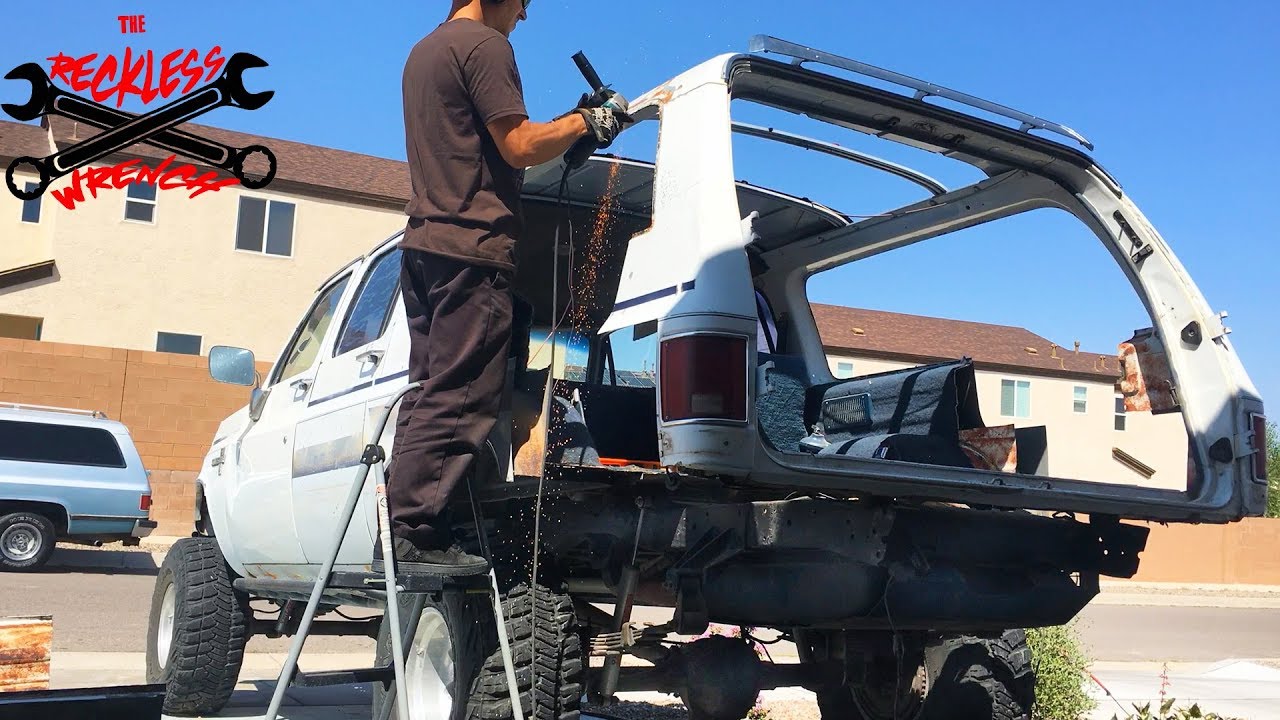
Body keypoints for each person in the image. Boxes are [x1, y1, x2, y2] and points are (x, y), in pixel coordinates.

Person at [376, 0, 629, 575]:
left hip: (426, 245)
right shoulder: (486, 45)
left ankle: (409, 523)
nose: (524, 15)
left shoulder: (425, 51)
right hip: (471, 247)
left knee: (431, 386)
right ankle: (416, 533)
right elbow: (518, 145)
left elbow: (488, 145)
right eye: (523, 2)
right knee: (466, 391)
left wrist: (570, 120)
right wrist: (590, 121)